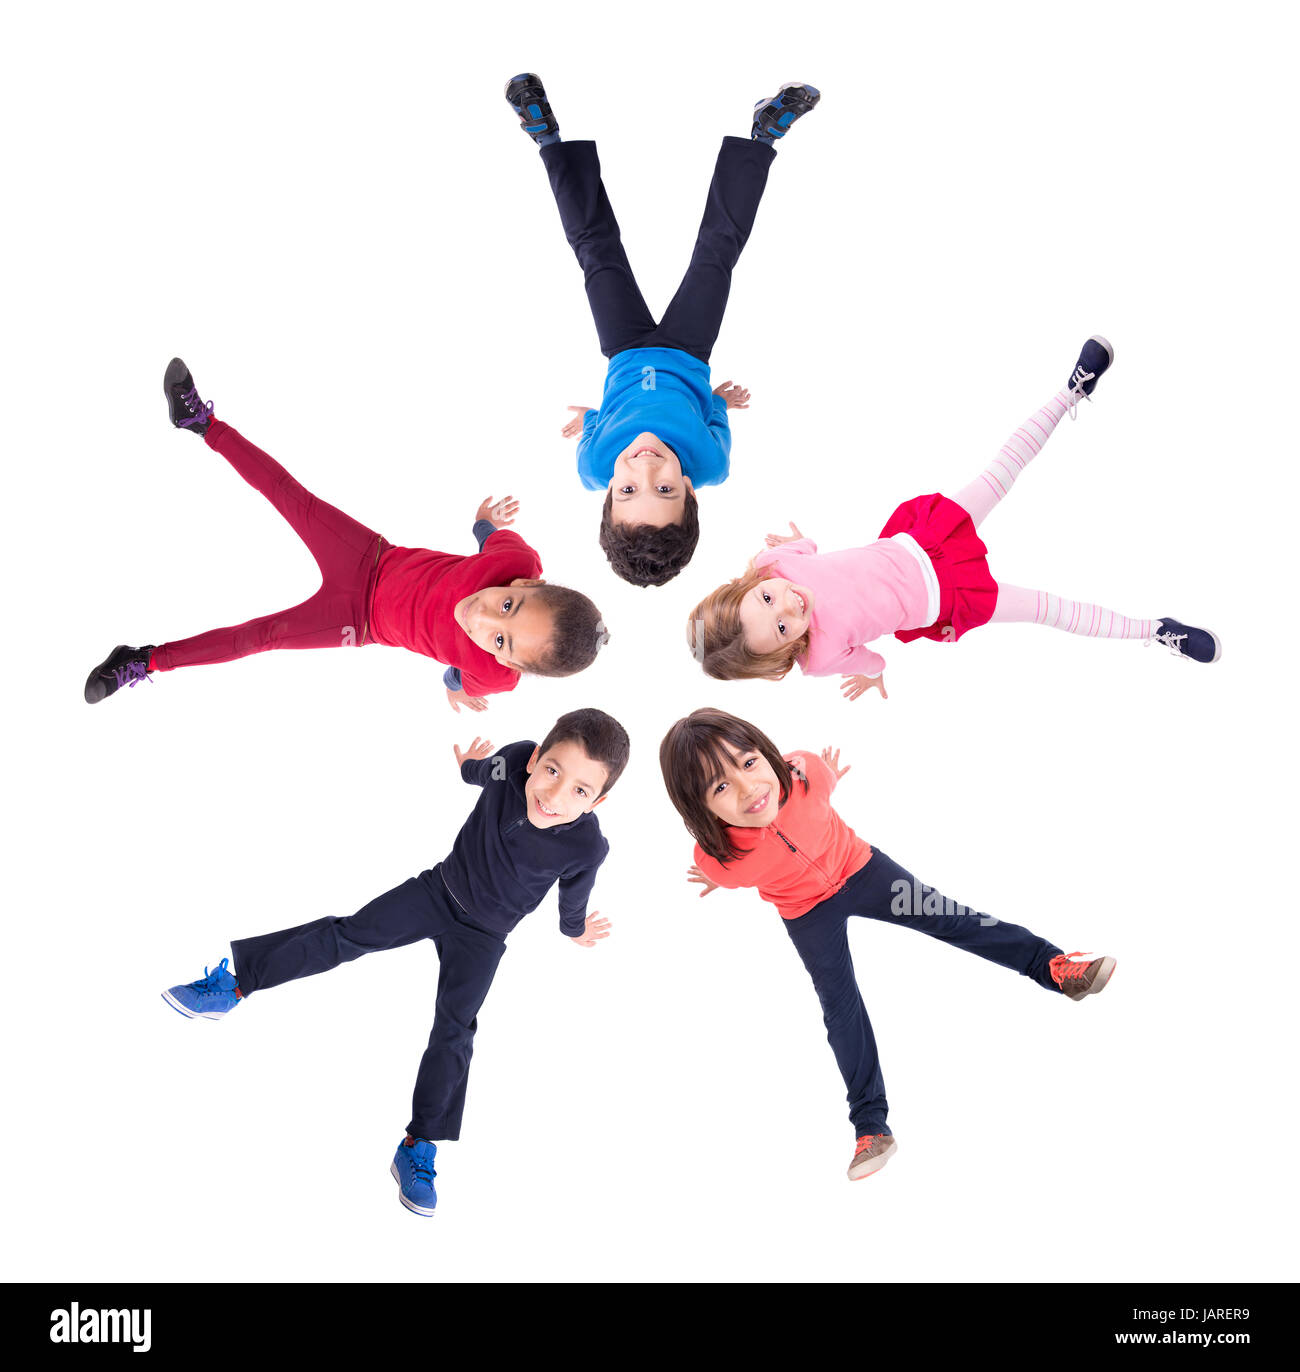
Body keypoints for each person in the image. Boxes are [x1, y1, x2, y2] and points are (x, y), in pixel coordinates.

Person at [162, 708, 630, 1215]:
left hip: (485, 937)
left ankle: (417, 1146)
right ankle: (235, 984)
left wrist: (575, 929)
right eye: (553, 770)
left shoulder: (588, 845)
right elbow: (481, 772)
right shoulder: (513, 760)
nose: (556, 795)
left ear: (598, 801)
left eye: (581, 790)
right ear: (536, 759)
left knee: (455, 1032)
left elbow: (572, 901)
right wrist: (469, 765)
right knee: (349, 935)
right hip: (436, 891)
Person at [660, 707, 1115, 1181]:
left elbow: (818, 777)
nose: (748, 788)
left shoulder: (807, 773)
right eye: (719, 787)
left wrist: (830, 774)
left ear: (767, 756)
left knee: (952, 919)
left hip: (865, 873)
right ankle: (871, 1128)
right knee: (840, 1007)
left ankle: (1056, 968)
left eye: (748, 763)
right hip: (808, 913)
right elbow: (724, 870)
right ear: (701, 810)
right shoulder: (723, 861)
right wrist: (717, 878)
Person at [687, 339, 1221, 697]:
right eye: (782, 627)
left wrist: (800, 543)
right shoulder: (821, 657)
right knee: (1048, 609)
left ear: (752, 583)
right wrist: (872, 680)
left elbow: (804, 551)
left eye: (766, 599)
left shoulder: (775, 566)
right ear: (782, 656)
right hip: (949, 599)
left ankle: (1070, 391)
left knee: (1001, 470)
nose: (787, 606)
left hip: (922, 543)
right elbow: (873, 661)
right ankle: (1156, 631)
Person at [84, 360, 608, 713]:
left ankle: (143, 659)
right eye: (510, 606)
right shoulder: (513, 558)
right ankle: (200, 422)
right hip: (371, 560)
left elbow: (459, 678)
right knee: (288, 493)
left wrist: (453, 690)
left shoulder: (493, 677)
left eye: (501, 641)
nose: (483, 615)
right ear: (530, 582)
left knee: (259, 637)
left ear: (511, 665)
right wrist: (483, 518)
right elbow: (487, 533)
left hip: (357, 622)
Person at [505, 73, 820, 586]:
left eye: (628, 490)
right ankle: (763, 137)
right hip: (688, 349)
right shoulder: (712, 463)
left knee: (594, 247)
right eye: (666, 490)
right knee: (717, 252)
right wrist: (719, 398)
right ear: (691, 490)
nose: (645, 468)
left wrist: (591, 416)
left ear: (608, 493)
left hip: (625, 350)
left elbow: (598, 422)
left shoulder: (592, 466)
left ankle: (548, 140)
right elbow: (713, 415)